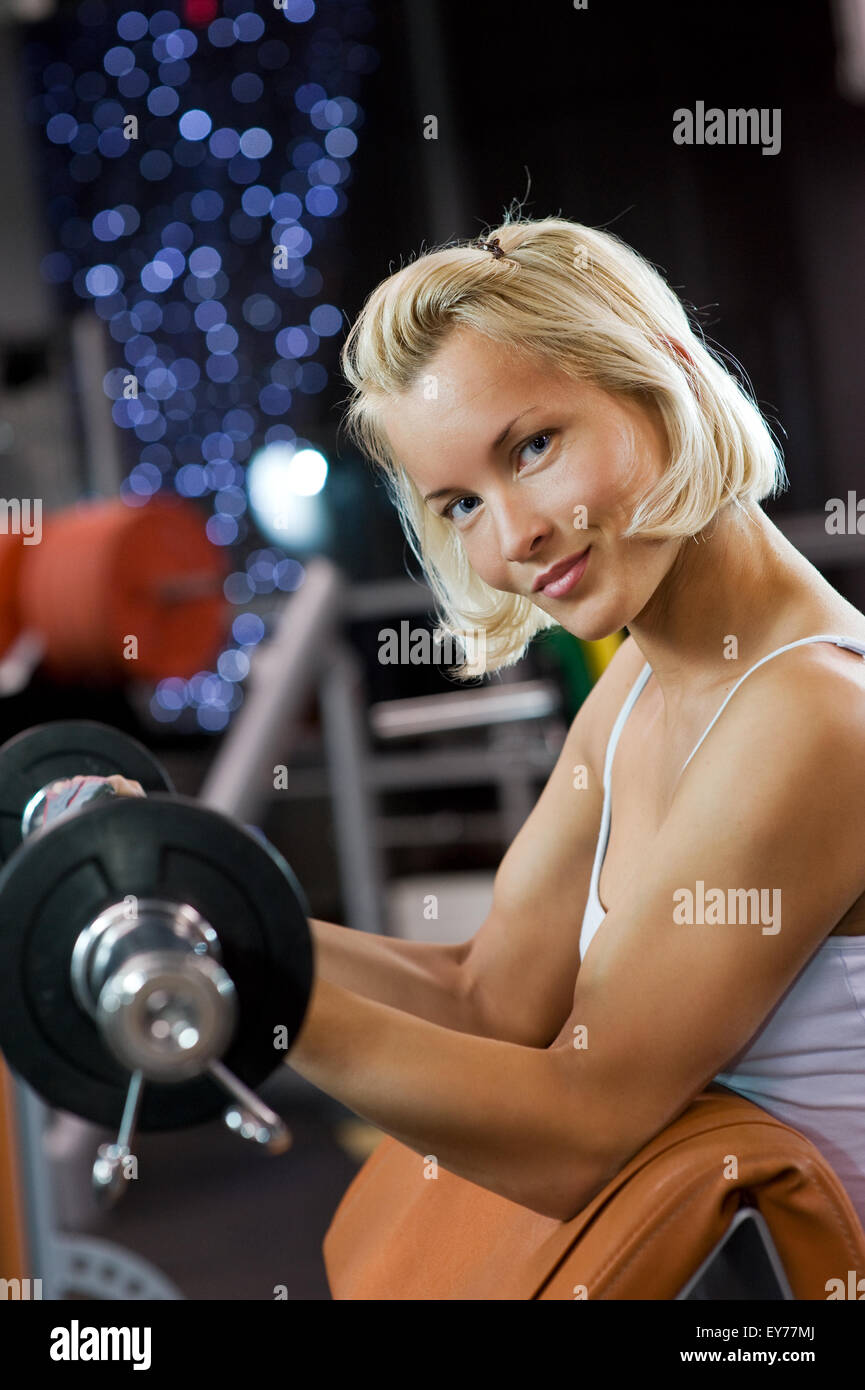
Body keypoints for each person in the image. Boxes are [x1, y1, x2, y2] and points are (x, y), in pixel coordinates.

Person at [133, 217, 865, 1228]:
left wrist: (229, 987)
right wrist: (180, 888)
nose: (515, 533)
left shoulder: (813, 715)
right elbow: (487, 999)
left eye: (533, 445)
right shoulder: (637, 692)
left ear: (666, 373)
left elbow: (578, 1124)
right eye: (460, 504)